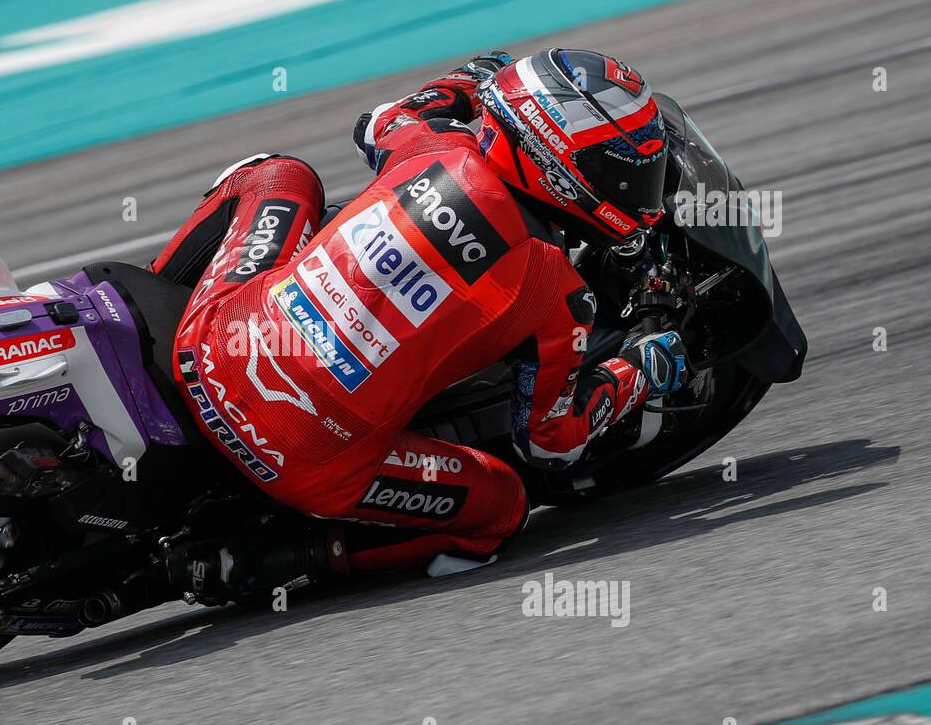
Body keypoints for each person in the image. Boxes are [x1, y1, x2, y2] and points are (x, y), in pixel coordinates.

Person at [149, 48, 688, 600]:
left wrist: (466, 83)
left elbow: (378, 120)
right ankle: (271, 558)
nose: (636, 188)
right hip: (305, 459)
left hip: (206, 346)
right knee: (503, 506)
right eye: (623, 171)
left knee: (275, 175)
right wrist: (644, 369)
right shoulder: (559, 294)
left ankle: (150, 305)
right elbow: (552, 444)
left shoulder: (432, 146)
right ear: (562, 164)